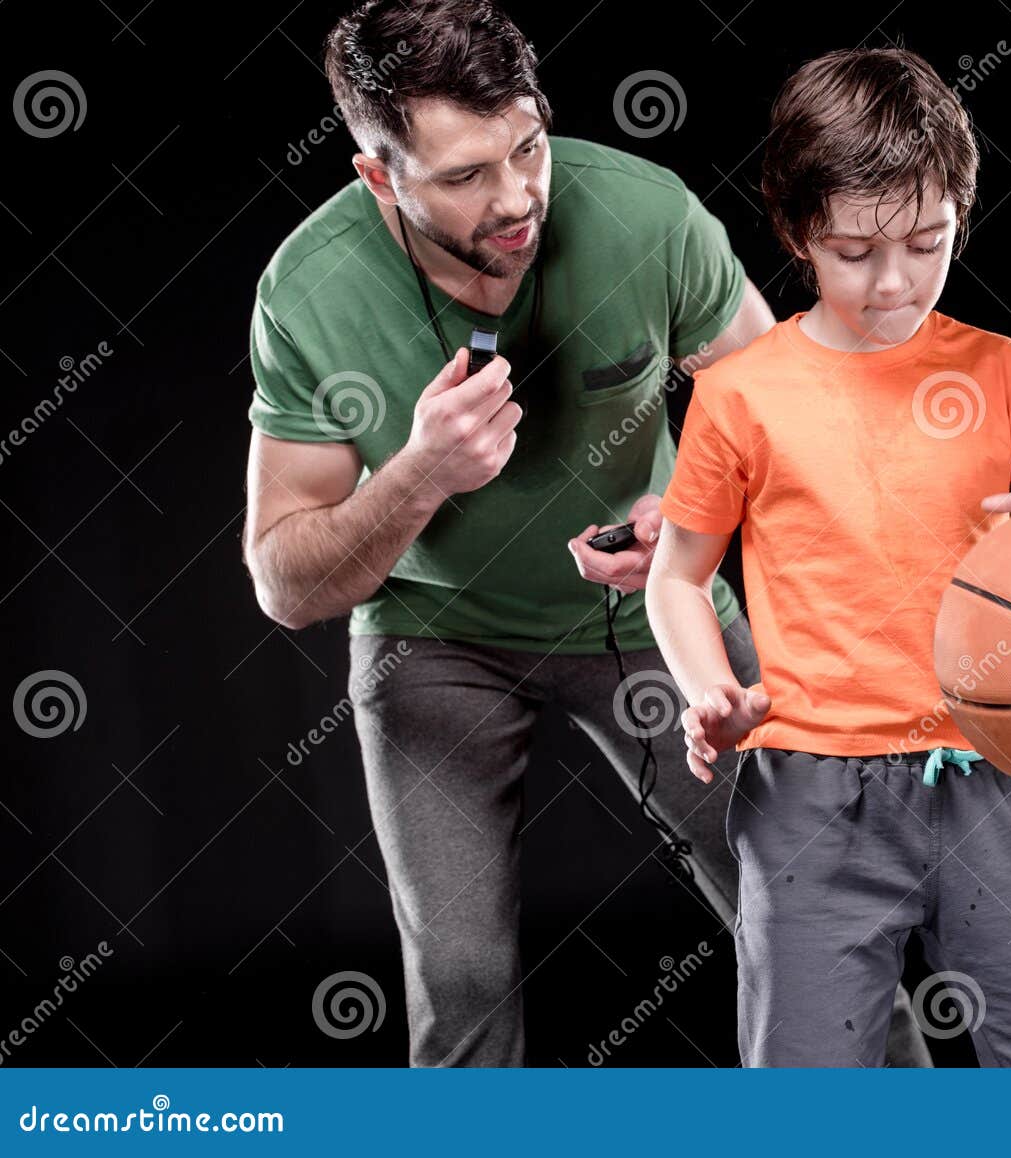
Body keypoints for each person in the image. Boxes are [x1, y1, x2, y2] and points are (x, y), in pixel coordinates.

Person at [241, 0, 932, 1066]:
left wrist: (703, 518)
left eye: (527, 146)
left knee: (813, 921)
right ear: (381, 178)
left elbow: (802, 428)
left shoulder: (644, 217)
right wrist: (421, 474)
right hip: (436, 637)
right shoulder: (307, 289)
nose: (517, 195)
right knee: (460, 979)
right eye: (465, 176)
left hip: (651, 615)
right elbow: (285, 581)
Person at [647, 46, 1011, 1066]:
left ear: (958, 217)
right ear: (798, 232)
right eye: (855, 251)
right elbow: (675, 574)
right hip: (807, 798)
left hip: (990, 777)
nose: (894, 281)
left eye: (926, 243)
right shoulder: (742, 393)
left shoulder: (1001, 372)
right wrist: (709, 688)